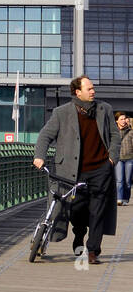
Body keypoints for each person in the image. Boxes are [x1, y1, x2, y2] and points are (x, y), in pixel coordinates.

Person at [33, 76, 118, 263]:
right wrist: (39, 156)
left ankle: (93, 250)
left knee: (98, 210)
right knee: (77, 209)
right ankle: (79, 235)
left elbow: (114, 135)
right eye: (89, 89)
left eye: (93, 88)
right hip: (73, 171)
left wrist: (112, 158)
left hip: (101, 169)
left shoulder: (105, 109)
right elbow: (45, 135)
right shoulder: (61, 113)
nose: (93, 91)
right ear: (77, 92)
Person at [117, 112, 133, 206]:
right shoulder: (114, 131)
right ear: (117, 121)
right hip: (118, 158)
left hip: (129, 158)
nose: (123, 121)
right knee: (119, 180)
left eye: (124, 119)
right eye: (121, 119)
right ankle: (119, 199)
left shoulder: (131, 132)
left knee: (127, 181)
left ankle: (125, 199)